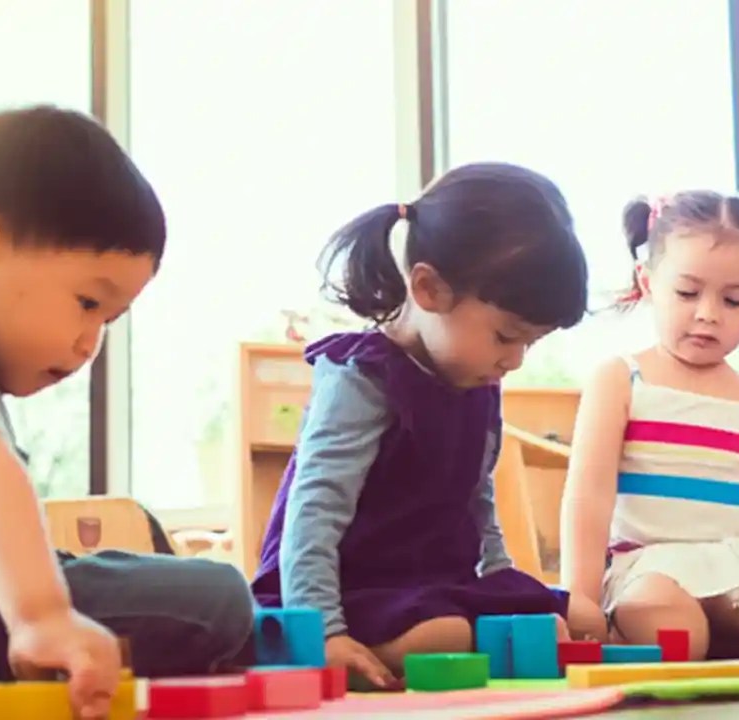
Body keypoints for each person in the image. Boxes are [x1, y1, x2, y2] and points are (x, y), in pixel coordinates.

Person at [0, 107, 253, 716]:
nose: (90, 342)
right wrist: (42, 617)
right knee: (216, 596)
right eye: (87, 302)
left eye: (109, 321)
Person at [251, 162, 589, 687]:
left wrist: (507, 586)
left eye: (531, 343)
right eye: (506, 336)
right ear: (429, 289)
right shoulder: (361, 378)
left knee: (580, 618)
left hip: (432, 586)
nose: (516, 360)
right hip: (342, 591)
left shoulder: (477, 378)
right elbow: (312, 515)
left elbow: (478, 502)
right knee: (446, 635)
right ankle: (330, 648)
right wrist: (323, 631)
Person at [560, 191, 739, 660]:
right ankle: (699, 639)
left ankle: (728, 636)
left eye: (733, 300)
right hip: (652, 564)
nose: (708, 313)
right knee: (673, 631)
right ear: (647, 282)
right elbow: (588, 497)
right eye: (687, 293)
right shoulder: (624, 378)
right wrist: (580, 599)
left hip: (737, 559)